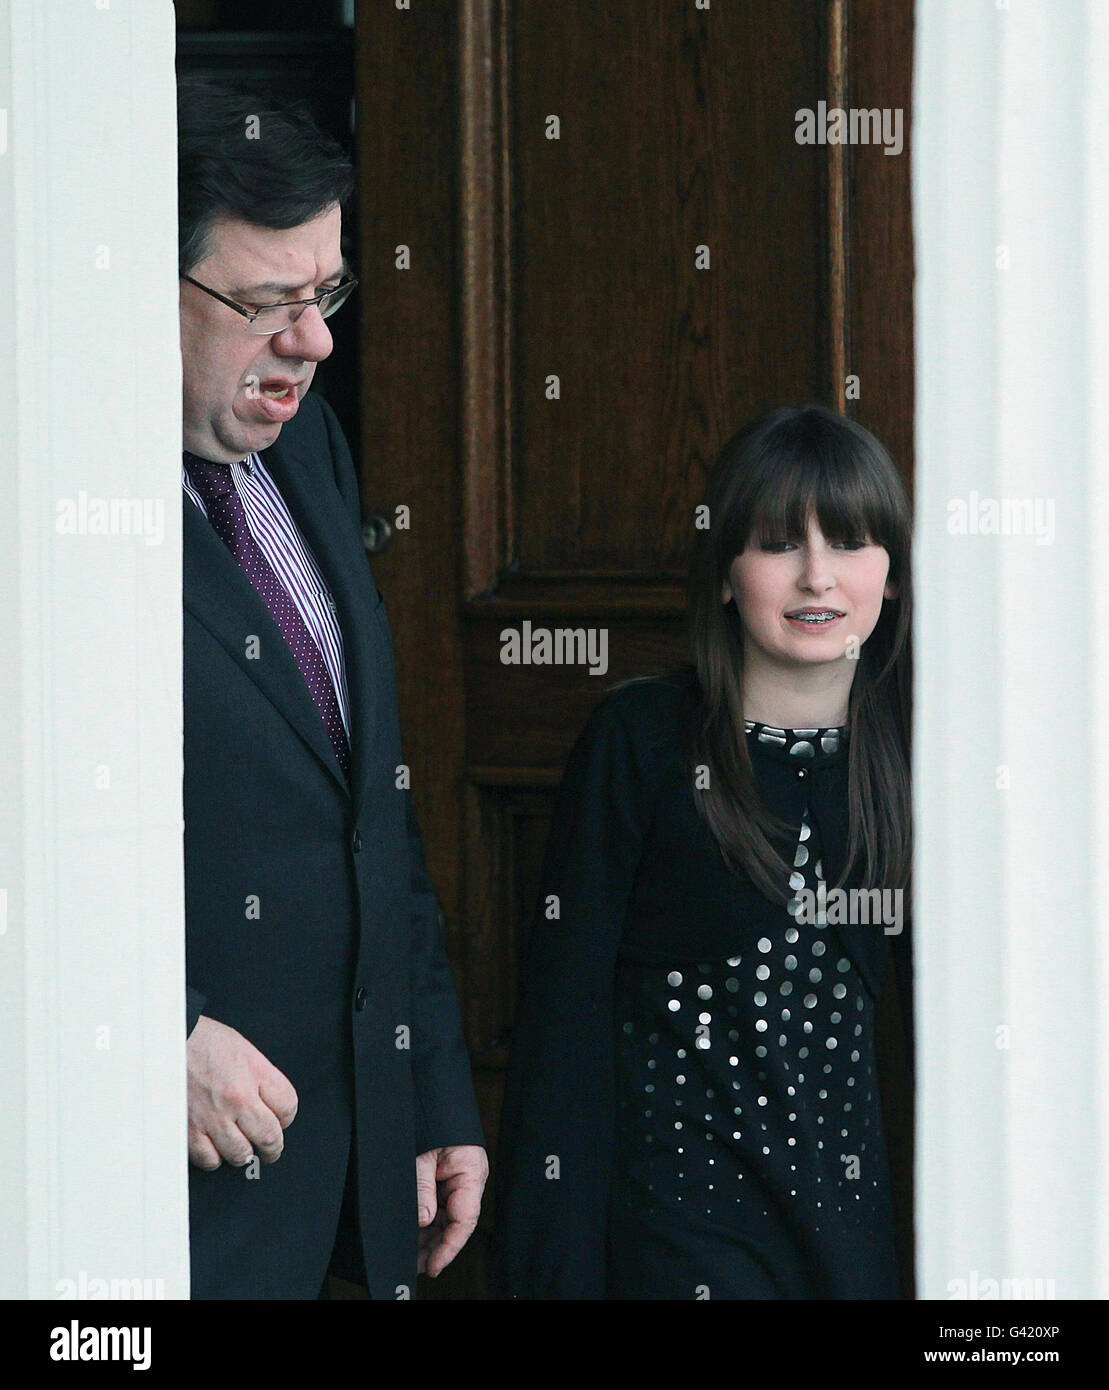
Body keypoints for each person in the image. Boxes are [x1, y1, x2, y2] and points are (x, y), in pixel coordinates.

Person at [177, 75, 487, 1299]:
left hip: (349, 1187)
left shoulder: (306, 440)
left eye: (325, 294)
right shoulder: (41, 505)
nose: (314, 344)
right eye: (266, 304)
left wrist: (425, 1085)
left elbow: (368, 800)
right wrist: (153, 1034)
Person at [493, 404, 914, 1299]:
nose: (815, 578)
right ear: (725, 574)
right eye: (775, 545)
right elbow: (562, 1028)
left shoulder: (921, 755)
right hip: (676, 1234)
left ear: (892, 572)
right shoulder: (639, 742)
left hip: (855, 1238)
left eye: (846, 543)